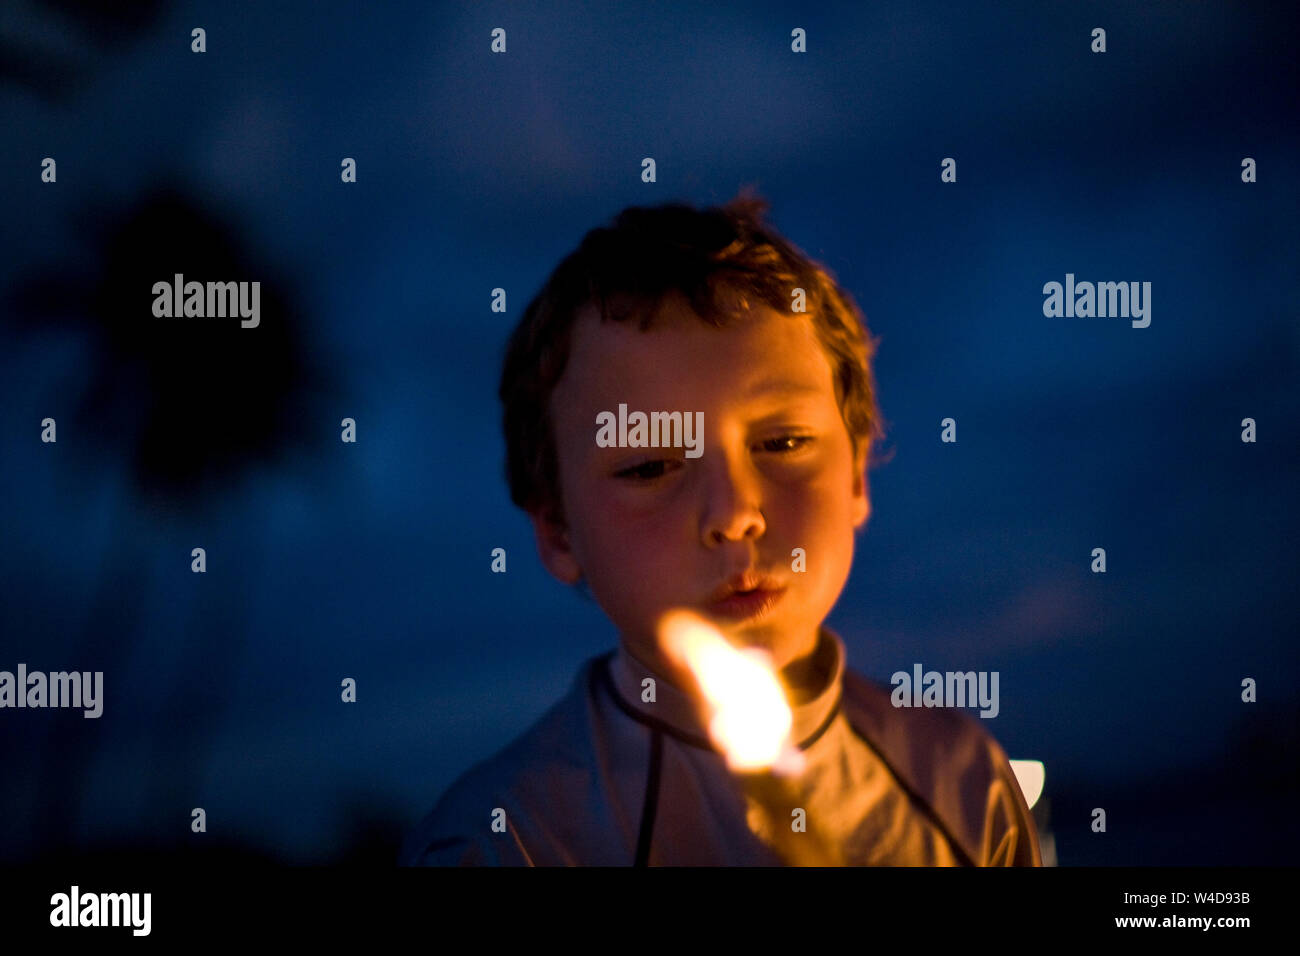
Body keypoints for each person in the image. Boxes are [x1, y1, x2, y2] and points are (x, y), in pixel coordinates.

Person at [400, 191, 1042, 866]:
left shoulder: (963, 787)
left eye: (785, 442)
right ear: (558, 532)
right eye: (650, 465)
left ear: (856, 473)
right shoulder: (507, 843)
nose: (735, 514)